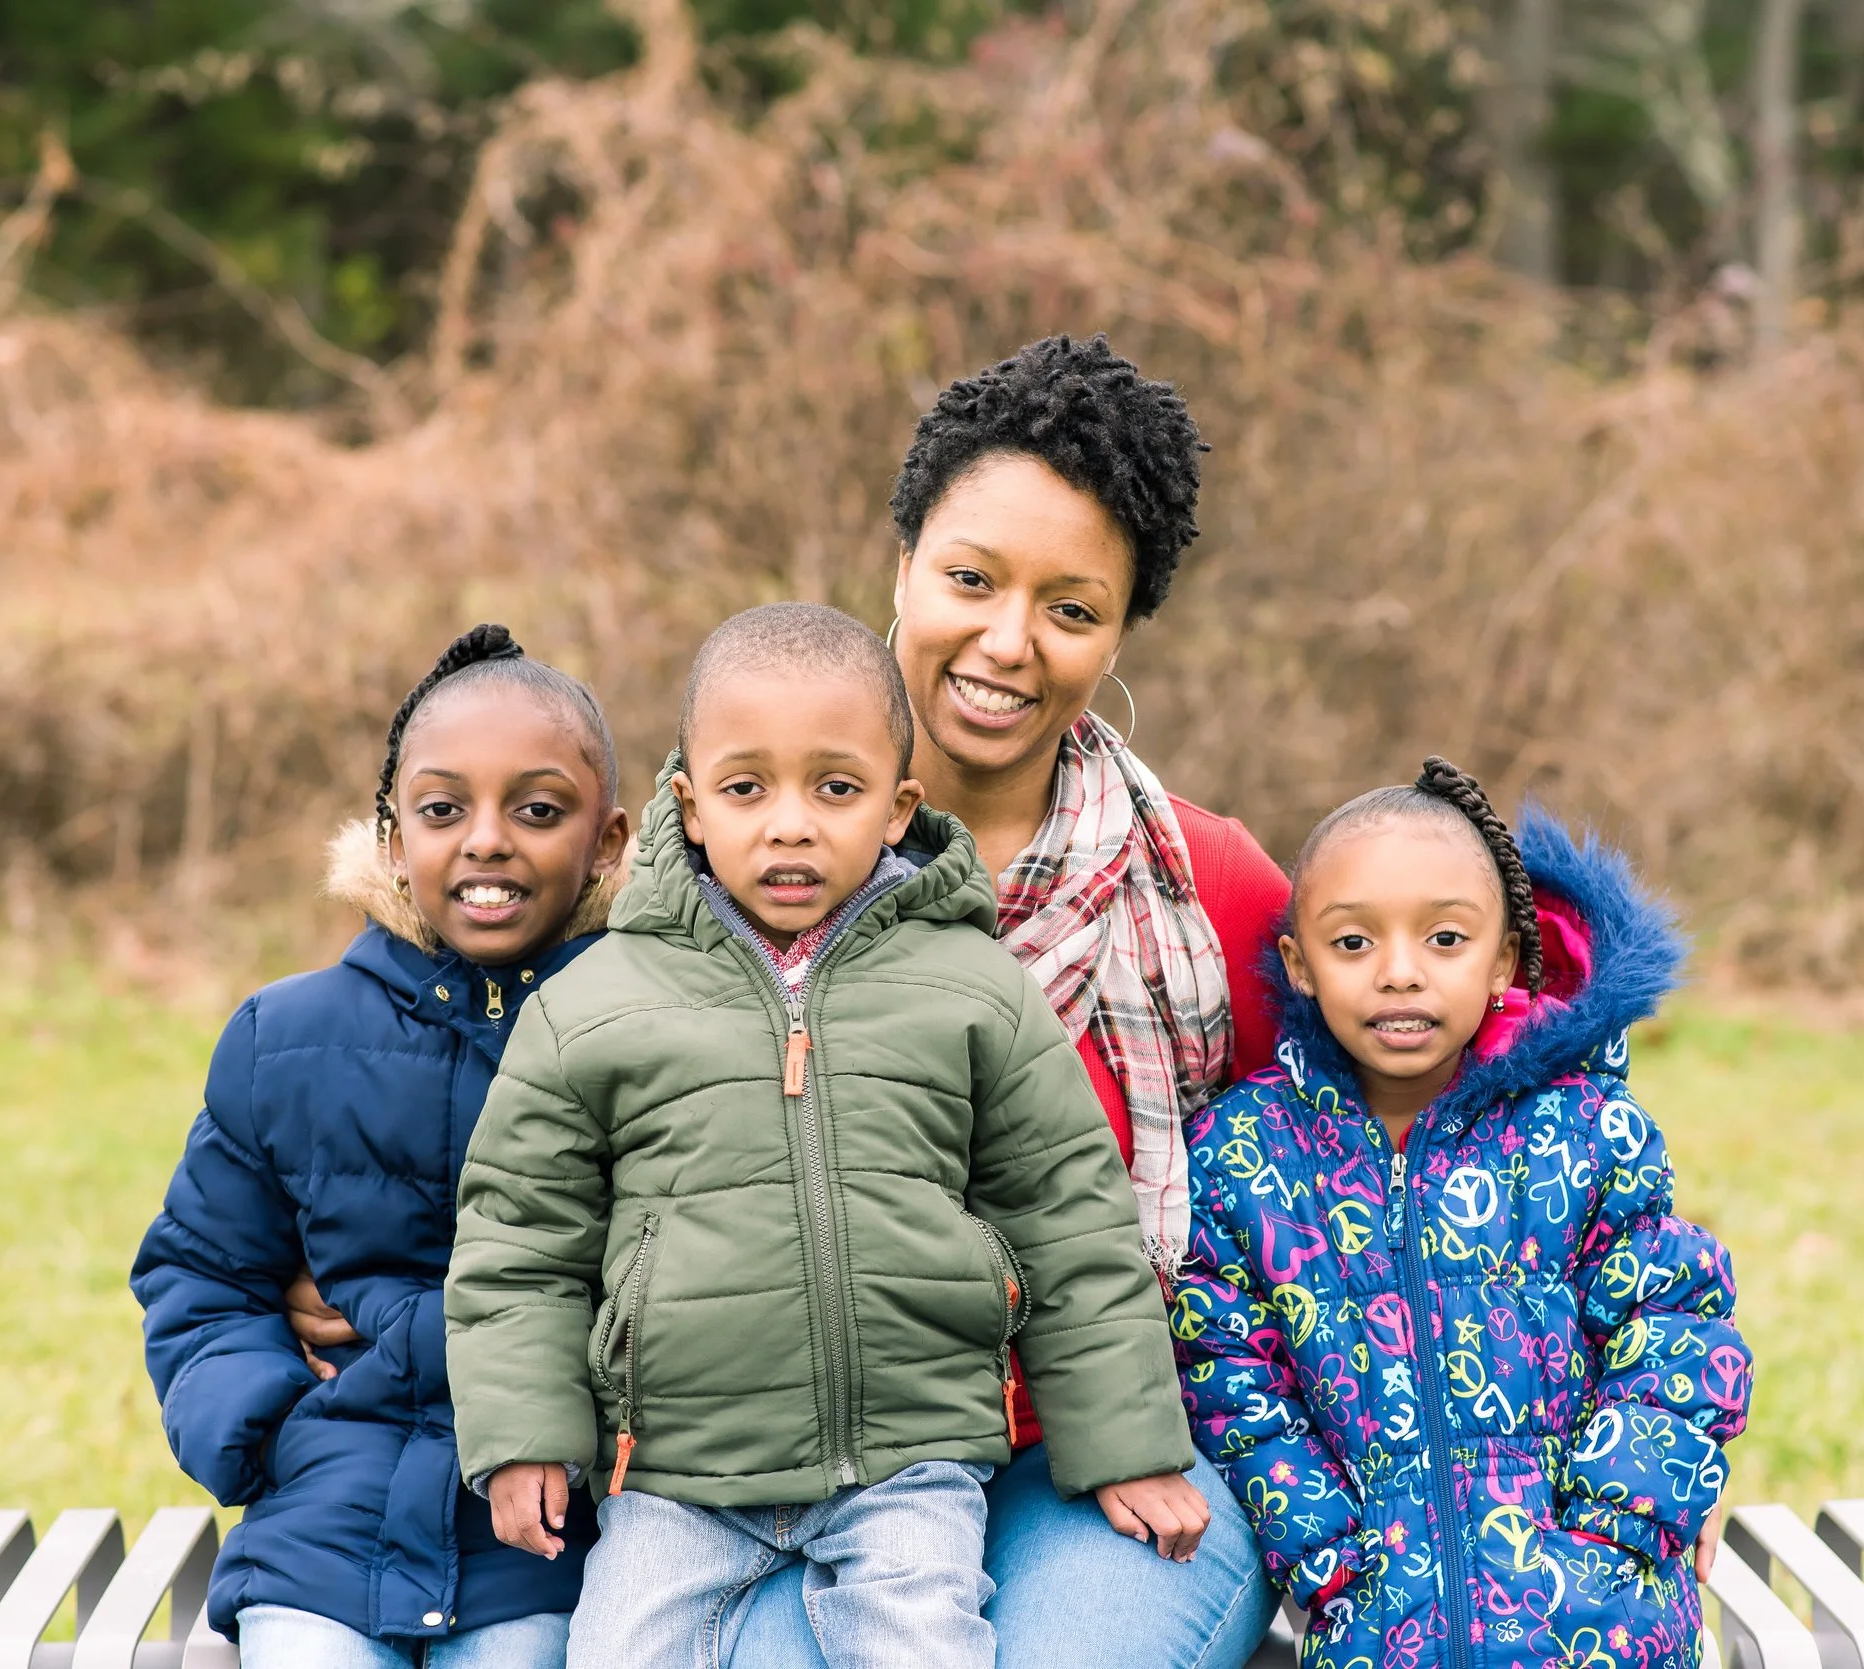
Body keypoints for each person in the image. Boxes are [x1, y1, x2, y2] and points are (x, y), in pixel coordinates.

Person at [444, 603, 1201, 1669]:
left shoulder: (973, 988)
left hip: (907, 1463)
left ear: (897, 809)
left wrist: (1124, 1448)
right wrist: (527, 1433)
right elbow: (521, 1237)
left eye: (834, 788)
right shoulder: (597, 1003)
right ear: (690, 805)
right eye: (747, 788)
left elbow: (1069, 1219)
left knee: (925, 1650)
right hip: (678, 1475)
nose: (789, 823)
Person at [720, 333, 1290, 1669]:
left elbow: (1427, 1135)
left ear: (1120, 634)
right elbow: (538, 1105)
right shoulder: (735, 860)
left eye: (1072, 608)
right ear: (902, 566)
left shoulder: (1207, 890)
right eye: (972, 579)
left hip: (1113, 1464)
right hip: (794, 1467)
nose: (1009, 642)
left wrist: (1594, 1396)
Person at [1173, 760, 1754, 1669]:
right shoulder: (1248, 1156)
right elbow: (1224, 1361)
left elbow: (1671, 1321)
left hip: (1604, 1617)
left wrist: (1623, 1525)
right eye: (1354, 943)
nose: (1400, 973)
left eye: (1445, 939)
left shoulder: (1582, 1131)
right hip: (1379, 1618)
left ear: (1504, 961)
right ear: (1300, 964)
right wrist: (1325, 1547)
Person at [132, 625, 632, 1669]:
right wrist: (270, 1427)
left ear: (609, 840)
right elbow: (200, 1270)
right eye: (444, 810)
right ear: (394, 840)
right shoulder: (285, 1038)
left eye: (537, 810)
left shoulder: (639, 1037)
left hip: (541, 1536)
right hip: (324, 1524)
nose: (486, 840)